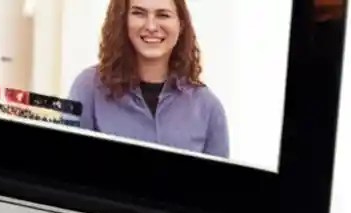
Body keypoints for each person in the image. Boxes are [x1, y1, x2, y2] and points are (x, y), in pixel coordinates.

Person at [68, 0, 230, 158]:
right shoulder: (87, 88)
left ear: (180, 25)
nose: (151, 26)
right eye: (139, 13)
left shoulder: (209, 108)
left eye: (163, 15)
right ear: (122, 20)